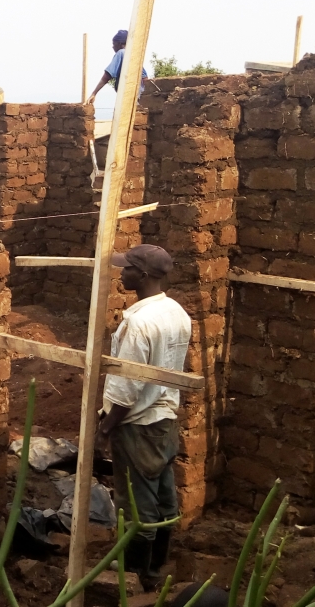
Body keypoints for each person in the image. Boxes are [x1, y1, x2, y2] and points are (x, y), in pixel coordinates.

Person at [96, 244, 191, 589]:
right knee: (164, 496)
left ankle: (137, 575)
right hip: (165, 421)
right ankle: (158, 565)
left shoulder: (138, 323)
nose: (122, 273)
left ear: (145, 275)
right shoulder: (177, 312)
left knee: (136, 504)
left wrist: (105, 428)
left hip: (137, 425)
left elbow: (126, 389)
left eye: (128, 268)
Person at [86, 29, 148, 105]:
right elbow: (145, 79)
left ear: (120, 43)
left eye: (114, 44)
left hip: (130, 100)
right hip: (139, 99)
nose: (112, 47)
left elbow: (107, 75)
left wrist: (94, 93)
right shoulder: (134, 56)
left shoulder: (121, 53)